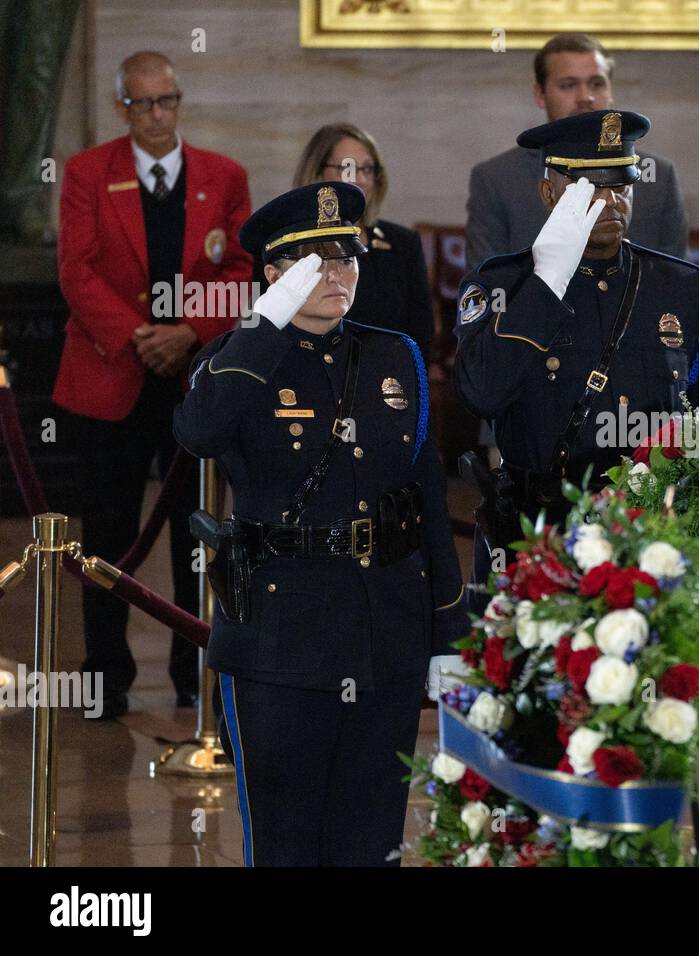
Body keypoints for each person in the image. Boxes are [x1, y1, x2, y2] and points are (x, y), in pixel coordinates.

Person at [173, 181, 467, 865]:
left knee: (371, 839)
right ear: (274, 274)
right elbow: (199, 429)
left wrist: (450, 630)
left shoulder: (394, 357)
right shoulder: (234, 359)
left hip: (384, 630)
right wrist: (264, 323)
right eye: (316, 264)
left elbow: (424, 498)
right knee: (285, 839)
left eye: (348, 260)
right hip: (281, 637)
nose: (340, 277)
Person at [455, 109, 699, 608]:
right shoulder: (499, 286)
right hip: (542, 538)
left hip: (655, 540)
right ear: (548, 194)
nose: (611, 200)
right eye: (588, 188)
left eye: (622, 184)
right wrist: (546, 284)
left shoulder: (681, 287)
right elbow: (479, 392)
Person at [54, 51, 252, 718]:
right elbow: (77, 271)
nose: (159, 114)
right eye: (144, 104)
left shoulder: (224, 177)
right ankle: (106, 676)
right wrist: (140, 335)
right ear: (122, 108)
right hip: (110, 378)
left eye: (168, 100)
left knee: (195, 534)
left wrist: (188, 331)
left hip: (194, 382)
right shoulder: (87, 174)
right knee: (108, 535)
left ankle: (195, 669)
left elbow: (242, 271)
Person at [465, 32, 688, 269]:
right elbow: (487, 286)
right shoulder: (496, 179)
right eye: (568, 85)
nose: (586, 97)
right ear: (540, 94)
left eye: (597, 83)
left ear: (610, 90)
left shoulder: (659, 176)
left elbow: (676, 284)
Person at [294, 123, 436, 363]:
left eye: (368, 169)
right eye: (347, 168)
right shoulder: (287, 246)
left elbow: (421, 333)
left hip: (388, 379)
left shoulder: (403, 243)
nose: (360, 179)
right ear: (317, 173)